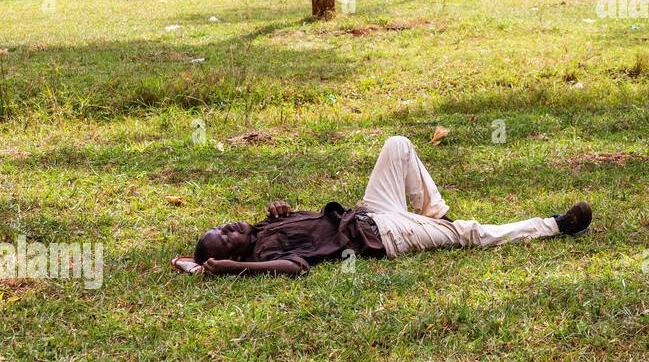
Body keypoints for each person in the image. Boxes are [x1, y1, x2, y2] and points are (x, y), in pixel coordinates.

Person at [173, 135, 592, 277]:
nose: (230, 226)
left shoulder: (263, 228)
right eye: (226, 236)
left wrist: (282, 210)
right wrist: (228, 269)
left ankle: (435, 216)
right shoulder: (262, 255)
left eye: (222, 224)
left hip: (367, 210)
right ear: (235, 253)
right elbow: (295, 269)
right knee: (472, 235)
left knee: (398, 145)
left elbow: (189, 262)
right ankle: (556, 225)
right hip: (382, 235)